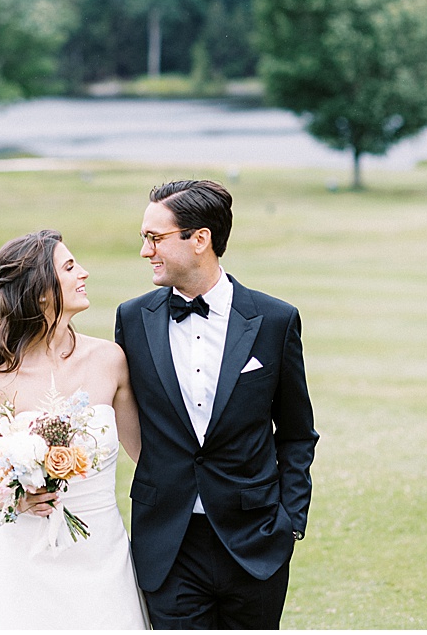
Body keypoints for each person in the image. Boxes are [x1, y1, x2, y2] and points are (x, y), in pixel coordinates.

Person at [114, 180, 317, 629]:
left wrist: (290, 520)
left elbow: (298, 431)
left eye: (155, 238)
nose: (145, 251)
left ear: (199, 239)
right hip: (167, 540)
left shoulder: (275, 320)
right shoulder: (132, 318)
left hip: (254, 540)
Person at [0, 230, 148, 630]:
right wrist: (18, 500)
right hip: (22, 560)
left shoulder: (109, 359)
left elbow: (147, 455)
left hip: (101, 552)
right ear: (41, 292)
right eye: (69, 267)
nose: (83, 272)